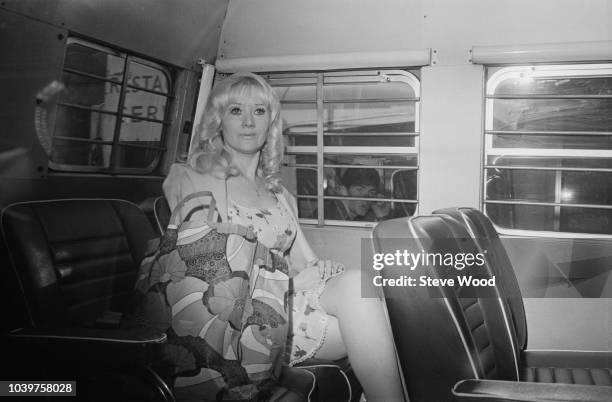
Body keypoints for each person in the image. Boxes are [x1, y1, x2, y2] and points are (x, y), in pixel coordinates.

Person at [163, 72, 404, 401]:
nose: (248, 122)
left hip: (289, 302)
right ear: (218, 120)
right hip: (239, 318)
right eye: (236, 111)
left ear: (271, 122)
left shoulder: (278, 192)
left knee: (359, 285)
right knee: (373, 327)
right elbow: (203, 275)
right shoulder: (192, 178)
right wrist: (291, 284)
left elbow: (303, 261)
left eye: (259, 111)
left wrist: (321, 270)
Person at [324, 168, 391, 221]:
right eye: (359, 189)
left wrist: (381, 215)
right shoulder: (327, 215)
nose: (366, 199)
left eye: (372, 192)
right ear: (343, 190)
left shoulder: (361, 218)